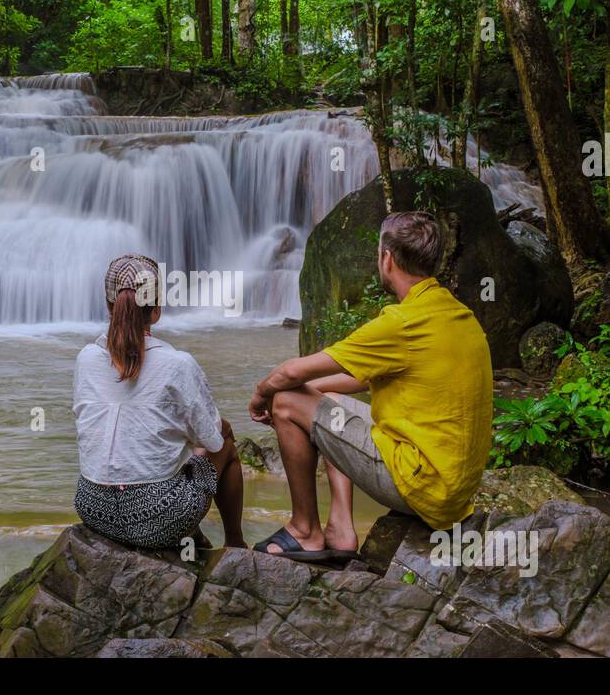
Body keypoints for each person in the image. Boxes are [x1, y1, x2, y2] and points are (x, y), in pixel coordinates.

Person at [248, 211, 493, 562]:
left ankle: (304, 530)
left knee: (285, 400)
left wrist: (263, 395)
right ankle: (340, 529)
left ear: (387, 259)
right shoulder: (456, 314)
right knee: (329, 400)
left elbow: (288, 376)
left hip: (421, 486)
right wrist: (312, 396)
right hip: (453, 490)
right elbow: (358, 377)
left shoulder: (402, 323)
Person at [72, 253, 246, 550]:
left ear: (108, 306)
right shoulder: (177, 363)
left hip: (92, 508)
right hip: (158, 516)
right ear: (156, 310)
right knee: (225, 441)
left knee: (166, 453)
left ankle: (194, 537)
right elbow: (212, 440)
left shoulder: (86, 358)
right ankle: (235, 545)